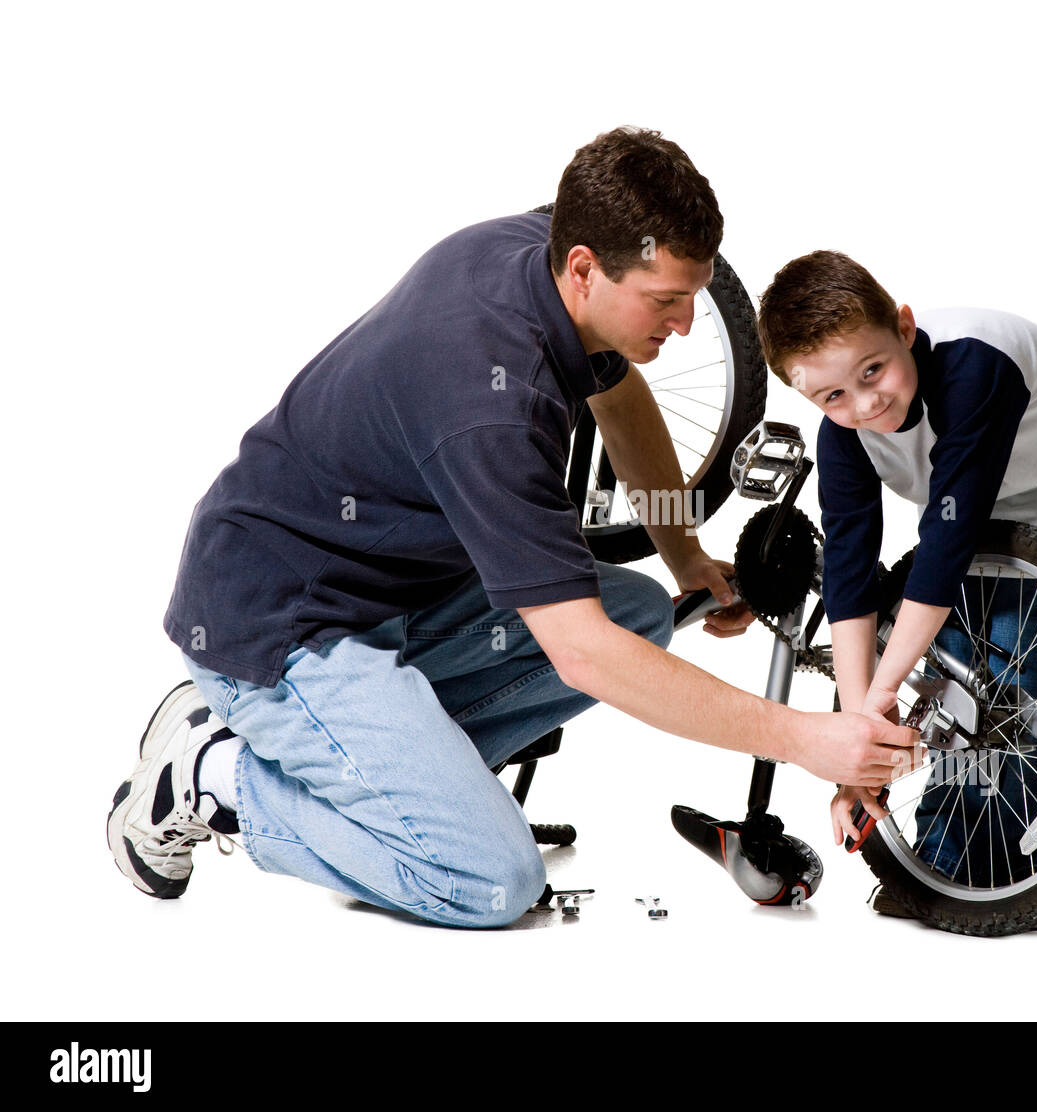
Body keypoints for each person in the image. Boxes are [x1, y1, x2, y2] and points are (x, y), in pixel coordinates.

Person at [107, 130, 921, 927]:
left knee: (639, 611)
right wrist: (804, 738)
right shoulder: (489, 404)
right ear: (584, 270)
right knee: (488, 878)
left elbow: (617, 391)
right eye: (666, 301)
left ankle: (408, 784)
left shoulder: (547, 250)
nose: (681, 326)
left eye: (693, 297)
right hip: (282, 625)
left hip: (390, 590)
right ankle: (212, 774)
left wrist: (684, 553)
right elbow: (582, 654)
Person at [757, 249, 1037, 926]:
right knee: (955, 671)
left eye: (873, 371)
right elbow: (847, 578)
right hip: (967, 500)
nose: (864, 404)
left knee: (1030, 668)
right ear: (807, 396)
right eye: (832, 396)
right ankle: (946, 857)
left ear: (902, 326)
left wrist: (876, 696)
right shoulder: (844, 433)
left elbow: (945, 545)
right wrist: (858, 731)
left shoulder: (973, 368)